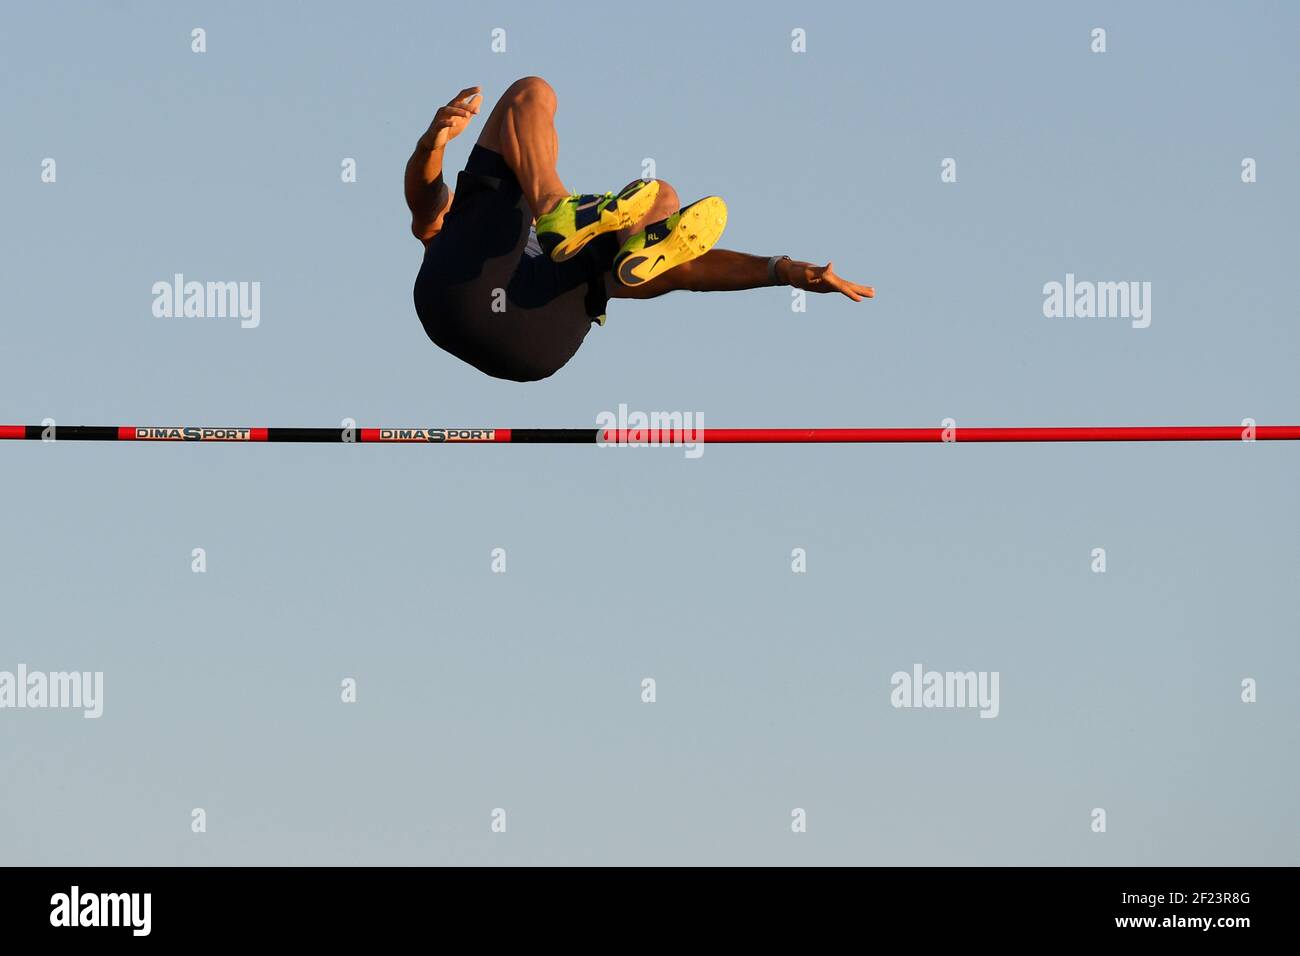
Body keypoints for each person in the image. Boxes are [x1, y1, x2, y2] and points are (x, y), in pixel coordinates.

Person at [407, 77, 874, 382]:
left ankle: (577, 218)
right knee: (535, 99)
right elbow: (428, 207)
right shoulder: (484, 227)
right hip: (528, 342)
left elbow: (684, 271)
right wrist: (432, 145)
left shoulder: (512, 231)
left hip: (487, 312)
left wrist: (782, 270)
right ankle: (558, 209)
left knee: (656, 195)